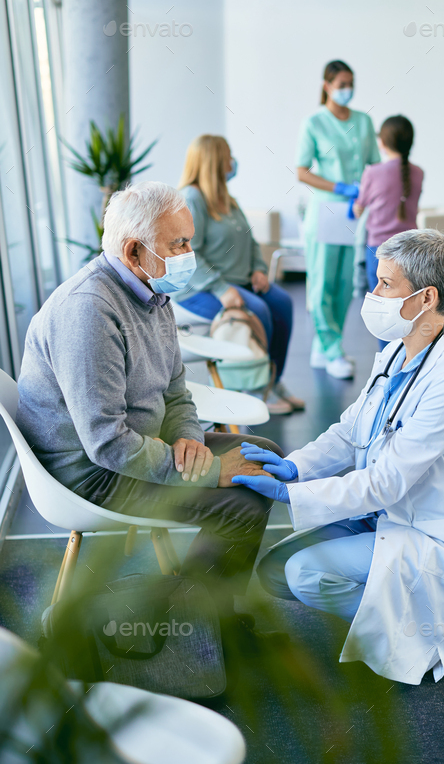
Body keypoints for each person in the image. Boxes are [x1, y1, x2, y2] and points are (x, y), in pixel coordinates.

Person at [16, 181, 285, 643]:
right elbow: (106, 445)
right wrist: (206, 473)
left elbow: (176, 388)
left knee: (260, 457)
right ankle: (179, 619)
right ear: (134, 251)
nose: (189, 253)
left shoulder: (151, 291)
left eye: (189, 240)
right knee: (240, 498)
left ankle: (200, 611)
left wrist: (190, 441)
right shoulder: (89, 312)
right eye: (178, 243)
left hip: (143, 441)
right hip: (90, 473)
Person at [232, 229, 444, 686]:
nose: (373, 296)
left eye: (386, 284)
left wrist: (294, 494)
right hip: (381, 516)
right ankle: (386, 610)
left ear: (426, 298)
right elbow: (351, 430)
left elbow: (386, 482)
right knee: (275, 573)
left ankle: (414, 630)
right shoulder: (393, 353)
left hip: (426, 533)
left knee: (303, 573)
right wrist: (296, 465)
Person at [174, 135, 304, 415]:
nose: (233, 162)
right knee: (257, 310)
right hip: (200, 289)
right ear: (214, 161)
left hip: (238, 280)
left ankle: (273, 380)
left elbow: (250, 239)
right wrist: (221, 289)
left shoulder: (226, 198)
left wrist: (258, 268)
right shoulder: (192, 198)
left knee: (281, 303)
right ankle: (258, 391)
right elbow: (189, 252)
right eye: (228, 155)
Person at [296, 60, 380, 380]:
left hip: (354, 211)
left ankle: (327, 342)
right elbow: (302, 171)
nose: (348, 89)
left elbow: (374, 165)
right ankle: (332, 350)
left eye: (351, 83)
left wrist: (364, 194)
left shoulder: (363, 121)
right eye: (342, 83)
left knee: (345, 283)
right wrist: (339, 187)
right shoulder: (314, 123)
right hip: (328, 210)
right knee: (321, 284)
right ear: (327, 85)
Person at [354, 115, 424, 295]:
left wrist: (356, 206)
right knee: (406, 301)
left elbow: (360, 208)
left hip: (379, 250)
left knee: (379, 302)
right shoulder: (418, 173)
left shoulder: (372, 172)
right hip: (410, 250)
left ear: (382, 142)